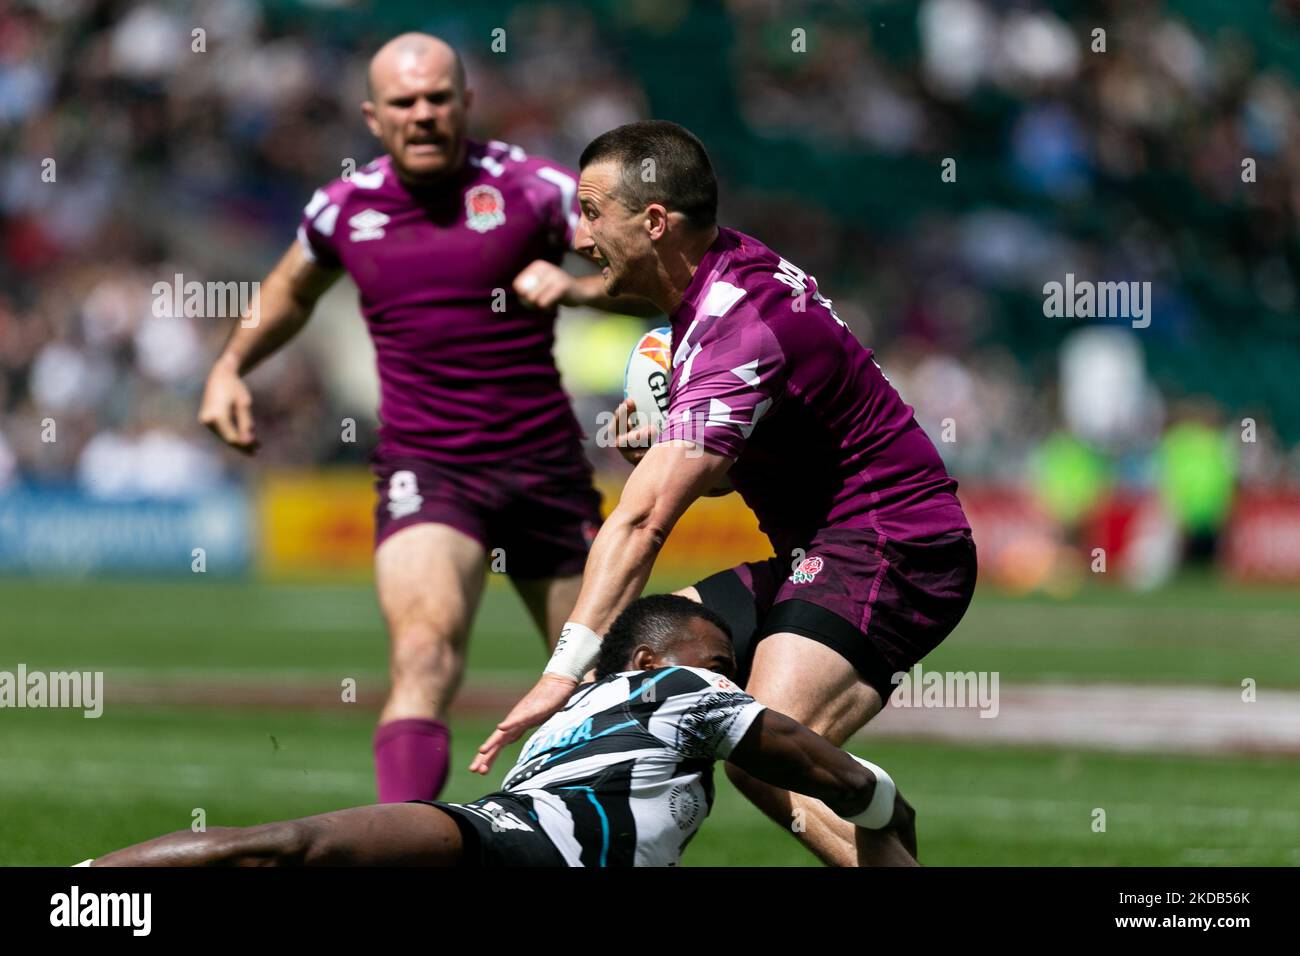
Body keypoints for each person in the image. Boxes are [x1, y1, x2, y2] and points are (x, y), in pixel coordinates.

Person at [472, 121, 977, 867]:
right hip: (829, 546)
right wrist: (671, 444)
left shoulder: (736, 326)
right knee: (637, 670)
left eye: (591, 212)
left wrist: (558, 673)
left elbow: (644, 521)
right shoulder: (723, 274)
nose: (579, 236)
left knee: (755, 742)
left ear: (652, 220)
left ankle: (877, 809)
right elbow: (734, 472)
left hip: (894, 546)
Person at [197, 34, 653, 804]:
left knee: (603, 683)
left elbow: (649, 269)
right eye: (404, 102)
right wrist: (228, 367)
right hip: (427, 470)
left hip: (546, 470)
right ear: (373, 117)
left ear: (466, 103)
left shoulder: (537, 189)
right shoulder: (344, 208)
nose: (423, 113)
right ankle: (401, 844)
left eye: (438, 97)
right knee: (423, 652)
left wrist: (577, 289)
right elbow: (288, 290)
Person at [85, 596, 916, 868]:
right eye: (719, 657)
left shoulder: (573, 715)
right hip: (523, 848)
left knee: (282, 849)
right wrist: (884, 806)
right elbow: (828, 772)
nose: (727, 673)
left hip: (484, 830)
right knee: (282, 850)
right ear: (650, 656)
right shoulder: (681, 686)